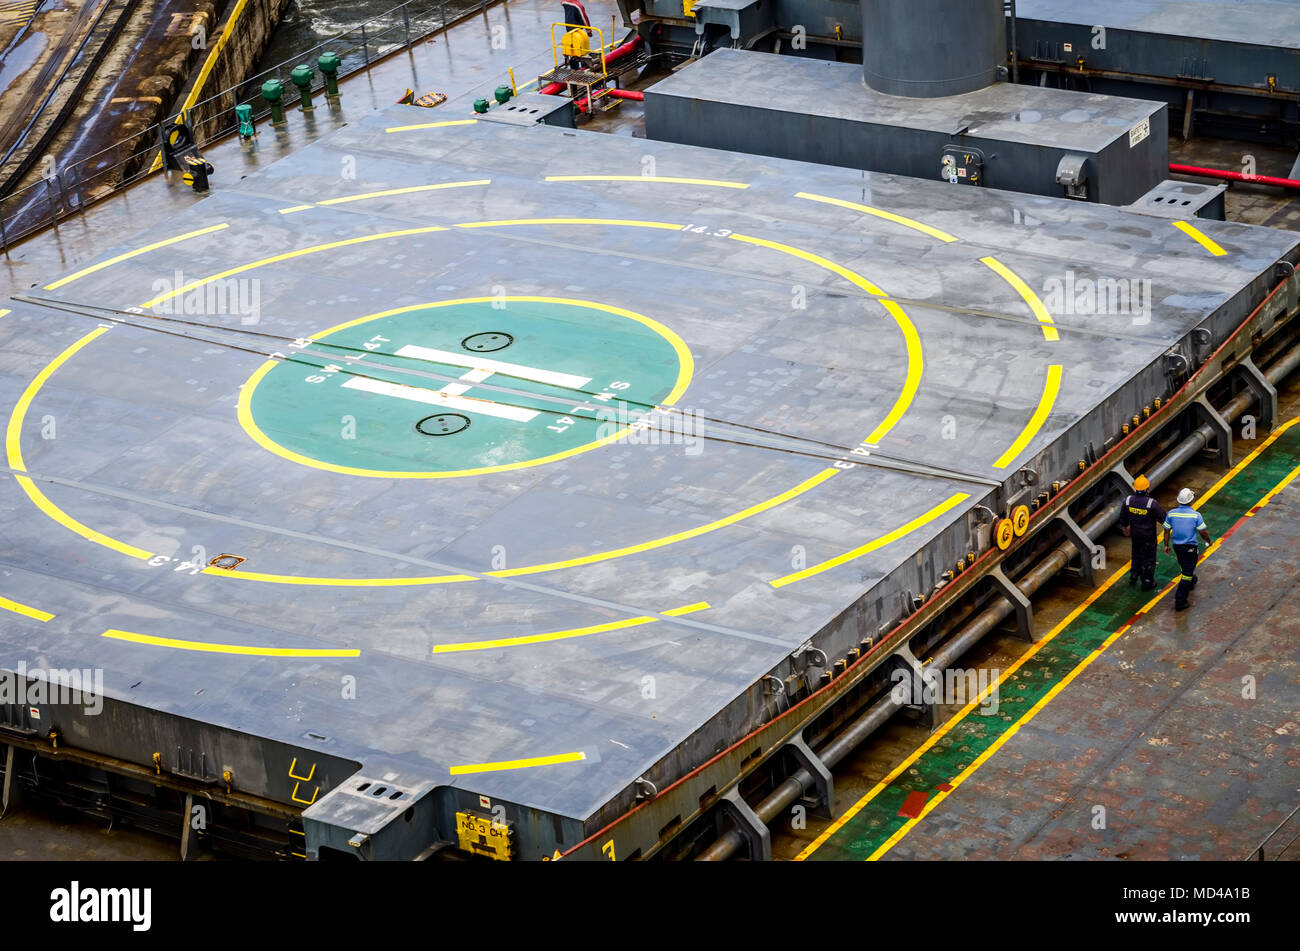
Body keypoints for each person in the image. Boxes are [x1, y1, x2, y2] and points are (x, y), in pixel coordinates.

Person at [1163, 488, 1212, 611]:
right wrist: (1208, 541)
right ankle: (1180, 601)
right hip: (1190, 548)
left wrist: (1166, 545)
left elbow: (1166, 530)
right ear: (1191, 501)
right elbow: (1203, 532)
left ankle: (1190, 581)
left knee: (1184, 565)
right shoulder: (1196, 515)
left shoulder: (1171, 513)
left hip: (1177, 547)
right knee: (1186, 574)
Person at [1118, 474, 1165, 591]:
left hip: (1135, 535)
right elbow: (1163, 519)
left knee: (1136, 555)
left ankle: (1134, 575)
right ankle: (1147, 582)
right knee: (1148, 559)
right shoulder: (1151, 504)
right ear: (1147, 489)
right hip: (1148, 537)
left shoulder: (1128, 500)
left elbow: (1123, 517)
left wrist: (1125, 527)